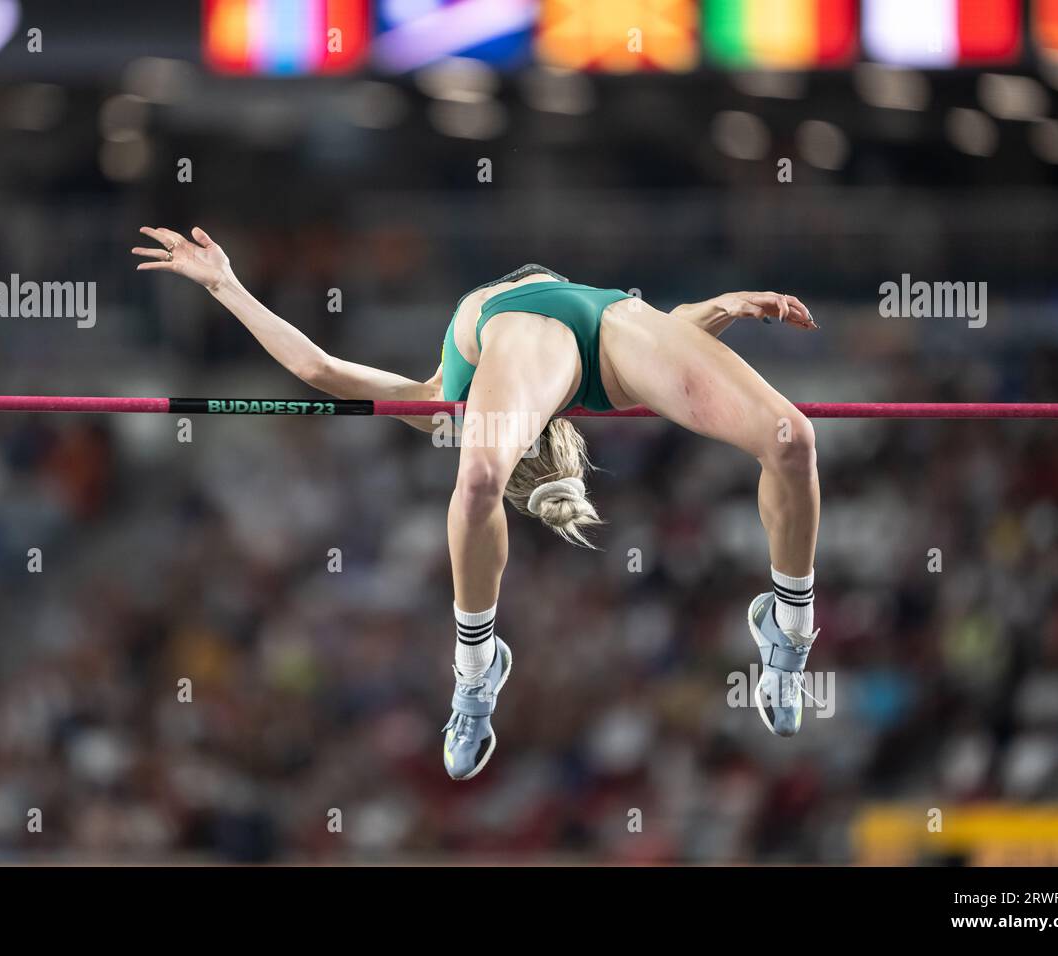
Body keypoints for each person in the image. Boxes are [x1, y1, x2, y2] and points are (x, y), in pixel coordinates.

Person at [133, 226, 821, 781]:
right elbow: (324, 371)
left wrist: (227, 286)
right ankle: (476, 673)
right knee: (479, 479)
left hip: (614, 326)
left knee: (792, 440)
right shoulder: (495, 401)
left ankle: (784, 629)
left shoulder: (456, 396)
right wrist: (728, 304)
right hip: (603, 340)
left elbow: (322, 370)